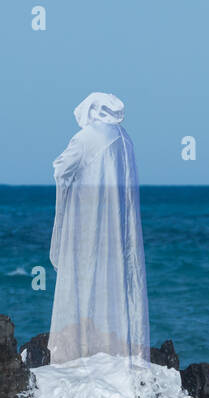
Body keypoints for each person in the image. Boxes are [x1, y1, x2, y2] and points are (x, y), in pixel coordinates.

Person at [48, 92, 151, 365]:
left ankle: (82, 347)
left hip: (88, 221)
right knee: (117, 280)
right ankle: (116, 346)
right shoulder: (124, 138)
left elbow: (61, 169)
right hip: (118, 225)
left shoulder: (89, 137)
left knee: (86, 279)